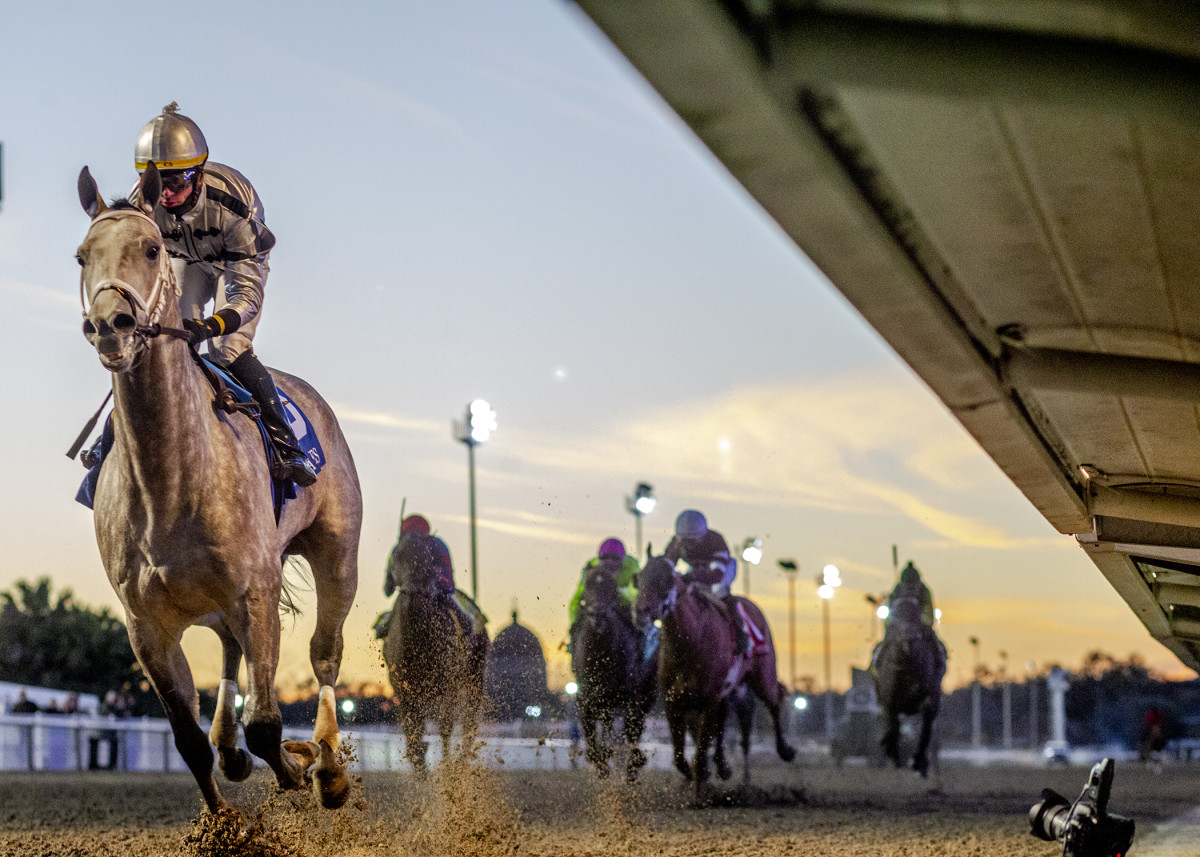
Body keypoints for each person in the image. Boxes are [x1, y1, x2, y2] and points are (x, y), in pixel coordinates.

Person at [130, 102, 316, 487]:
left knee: (225, 349)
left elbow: (246, 298)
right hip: (185, 259)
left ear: (198, 175)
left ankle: (287, 444)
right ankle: (112, 440)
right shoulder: (142, 206)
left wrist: (209, 325)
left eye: (177, 182)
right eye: (156, 183)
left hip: (236, 262)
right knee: (167, 345)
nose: (166, 195)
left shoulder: (232, 207)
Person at [663, 509, 751, 655]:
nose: (689, 545)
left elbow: (716, 575)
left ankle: (742, 633)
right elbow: (667, 566)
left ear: (702, 536)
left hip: (723, 569)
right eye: (685, 541)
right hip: (697, 570)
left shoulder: (716, 541)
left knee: (719, 592)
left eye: (692, 541)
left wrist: (692, 577)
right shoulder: (676, 543)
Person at [568, 538, 652, 658]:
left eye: (614, 561)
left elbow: (637, 594)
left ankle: (641, 654)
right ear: (600, 560)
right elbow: (579, 596)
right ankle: (574, 650)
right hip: (598, 605)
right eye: (605, 561)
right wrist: (575, 621)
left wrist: (621, 591)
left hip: (624, 605)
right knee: (578, 624)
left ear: (622, 560)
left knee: (638, 627)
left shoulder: (632, 566)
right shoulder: (591, 568)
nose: (610, 564)